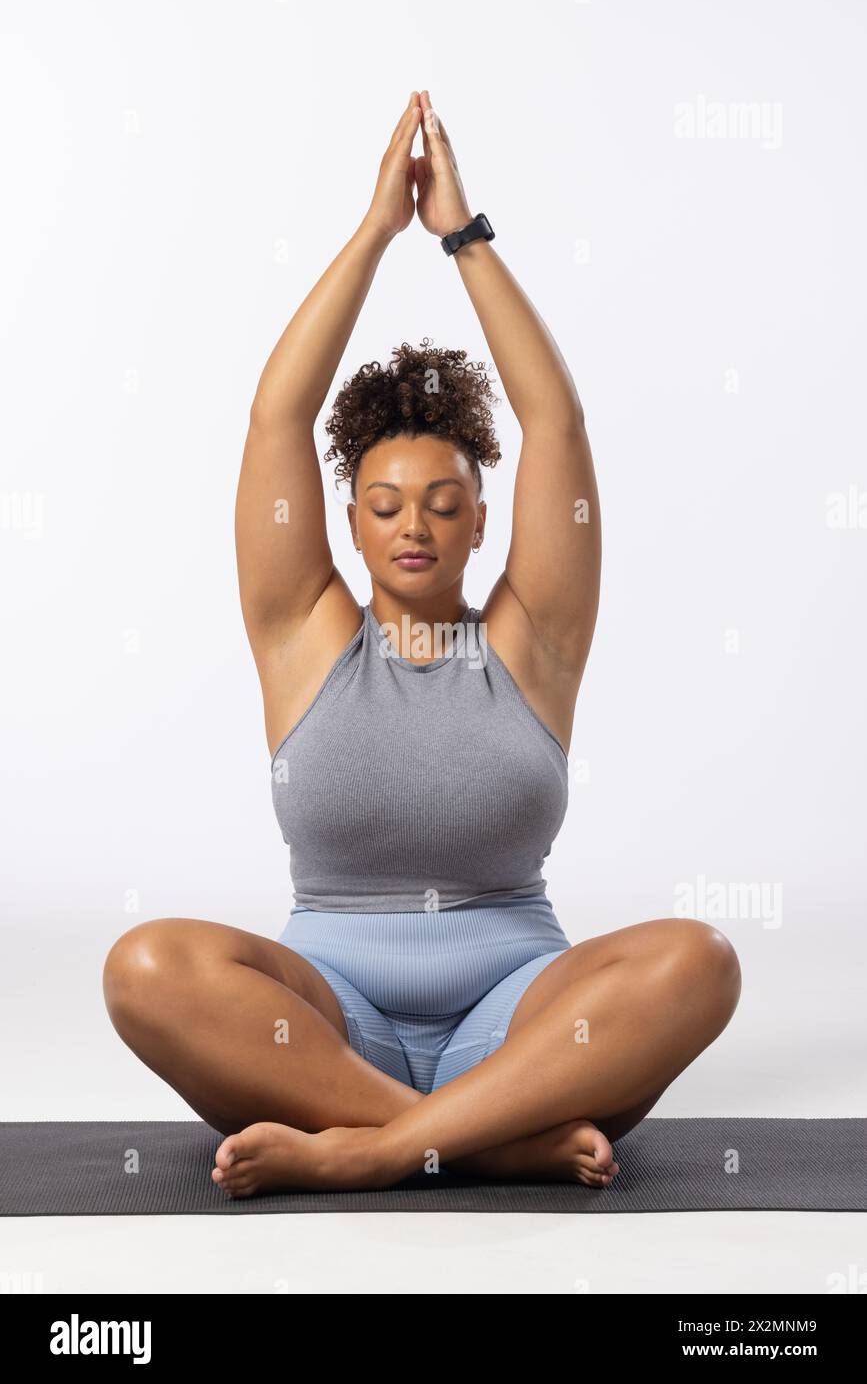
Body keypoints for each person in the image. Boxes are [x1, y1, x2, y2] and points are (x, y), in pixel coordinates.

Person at [102, 90, 741, 1197]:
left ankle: (389, 1149)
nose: (414, 525)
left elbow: (558, 424)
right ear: (348, 517)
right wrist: (374, 231)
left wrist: (463, 236)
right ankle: (486, 1142)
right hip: (325, 1035)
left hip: (526, 1030)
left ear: (483, 519)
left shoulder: (533, 639)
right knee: (142, 965)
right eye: (386, 502)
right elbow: (274, 419)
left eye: (446, 503)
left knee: (703, 960)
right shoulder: (302, 633)